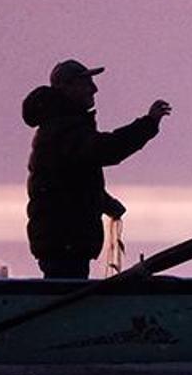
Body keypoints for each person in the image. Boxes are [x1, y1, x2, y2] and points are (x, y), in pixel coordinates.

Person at [23, 59, 171, 278]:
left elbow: (73, 184)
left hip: (63, 242)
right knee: (66, 292)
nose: (94, 89)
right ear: (67, 87)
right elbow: (106, 150)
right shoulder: (64, 129)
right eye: (86, 83)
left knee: (67, 289)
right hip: (64, 242)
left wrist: (105, 203)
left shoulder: (61, 127)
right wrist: (148, 124)